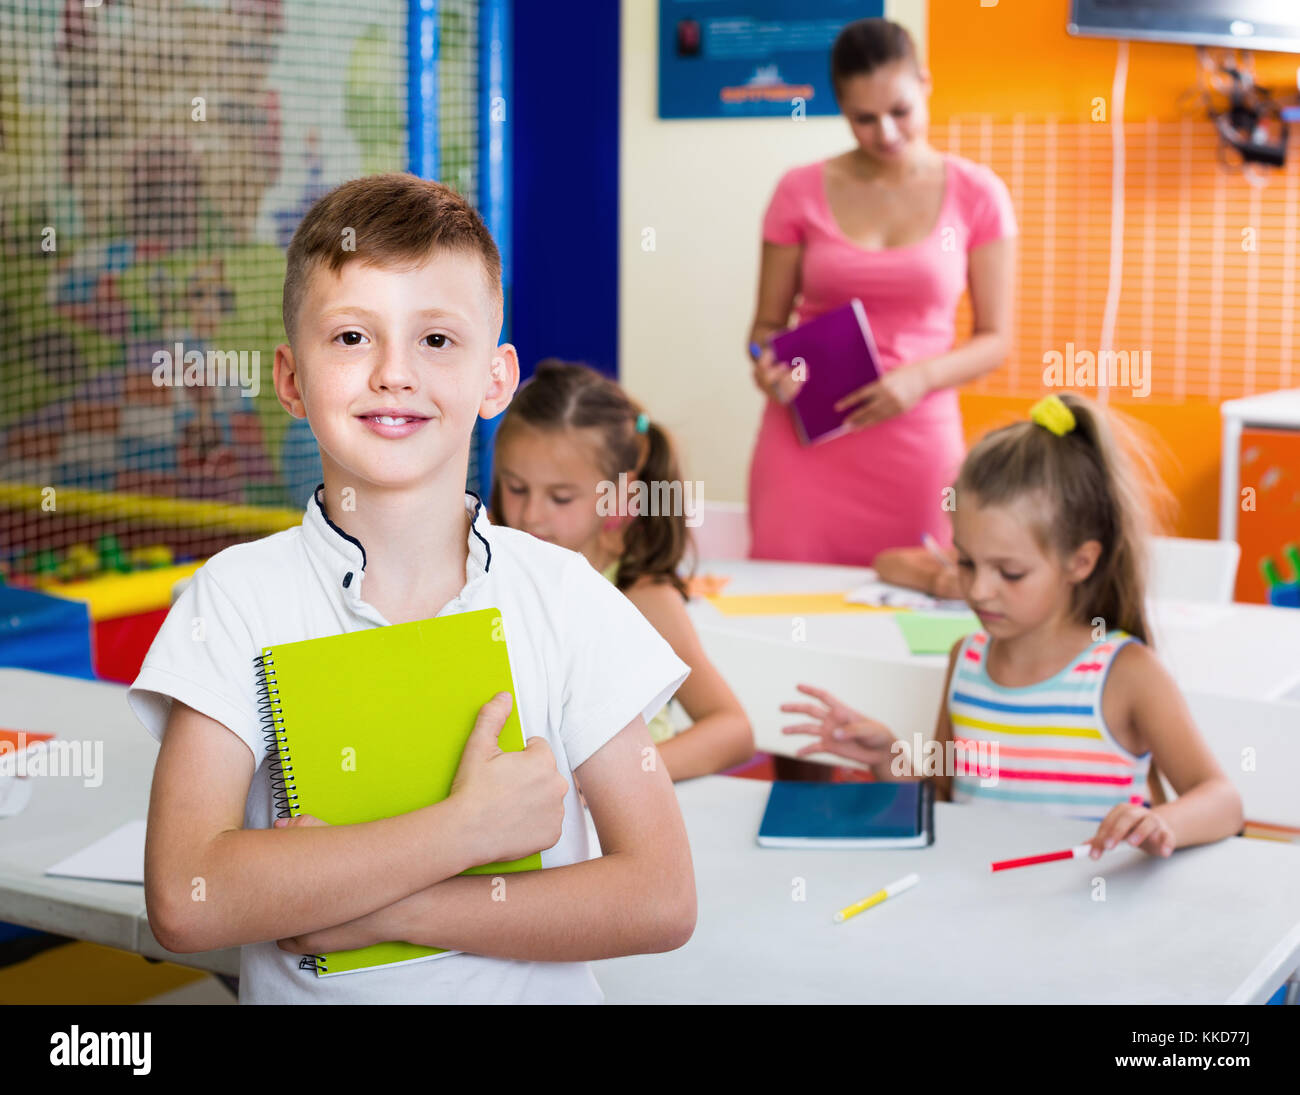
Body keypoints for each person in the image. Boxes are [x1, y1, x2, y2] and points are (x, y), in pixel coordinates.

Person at [126, 173, 697, 1004]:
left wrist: (394, 907)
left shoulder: (566, 597)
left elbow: (661, 896)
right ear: (291, 378)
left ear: (495, 380)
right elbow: (187, 897)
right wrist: (464, 829)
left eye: (436, 340)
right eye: (353, 336)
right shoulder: (233, 598)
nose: (394, 373)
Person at [781, 394, 1243, 856]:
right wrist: (889, 760)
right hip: (977, 908)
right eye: (966, 562)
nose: (978, 590)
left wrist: (1159, 822)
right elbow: (946, 799)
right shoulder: (967, 659)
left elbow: (1223, 801)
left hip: (1094, 917)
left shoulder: (1127, 674)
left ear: (1080, 561)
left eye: (1010, 572)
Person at [747, 16, 1017, 565]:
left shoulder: (978, 194)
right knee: (783, 598)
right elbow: (763, 330)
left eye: (900, 111)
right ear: (840, 109)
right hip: (805, 442)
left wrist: (920, 378)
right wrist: (766, 366)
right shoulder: (798, 191)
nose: (886, 134)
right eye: (863, 119)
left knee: (921, 601)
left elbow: (996, 337)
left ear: (925, 83)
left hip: (918, 441)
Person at [490, 359, 754, 782]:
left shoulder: (639, 593)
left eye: (560, 498)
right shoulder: (490, 564)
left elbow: (732, 730)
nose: (530, 515)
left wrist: (608, 781)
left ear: (618, 493)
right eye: (516, 487)